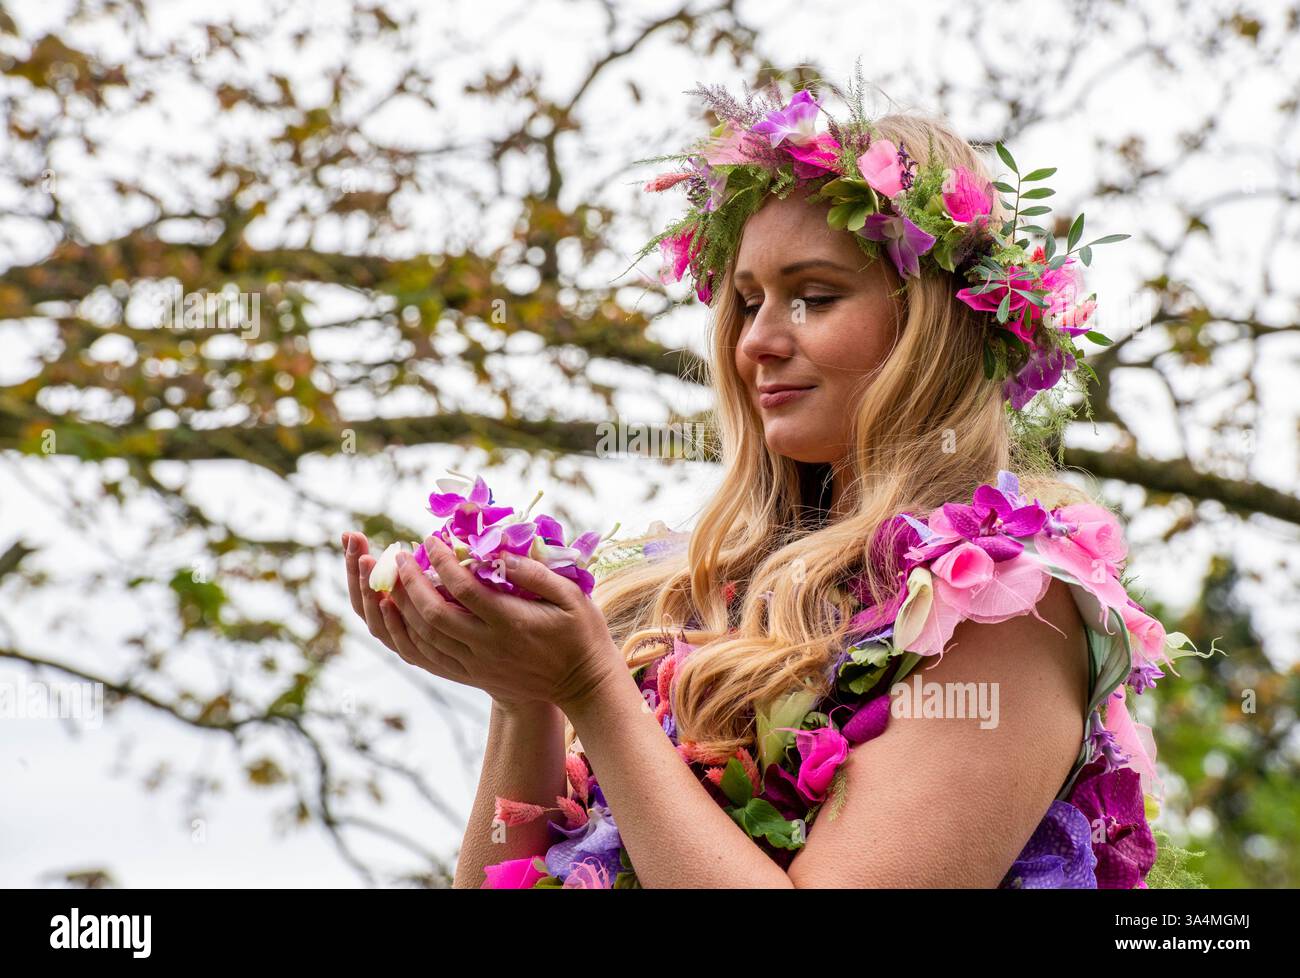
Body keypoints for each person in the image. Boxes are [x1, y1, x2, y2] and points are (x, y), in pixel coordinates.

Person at [341, 79, 1213, 888]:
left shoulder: (1008, 600)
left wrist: (591, 693)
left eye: (814, 297)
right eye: (748, 300)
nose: (758, 340)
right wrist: (524, 696)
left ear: (930, 330)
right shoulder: (679, 599)